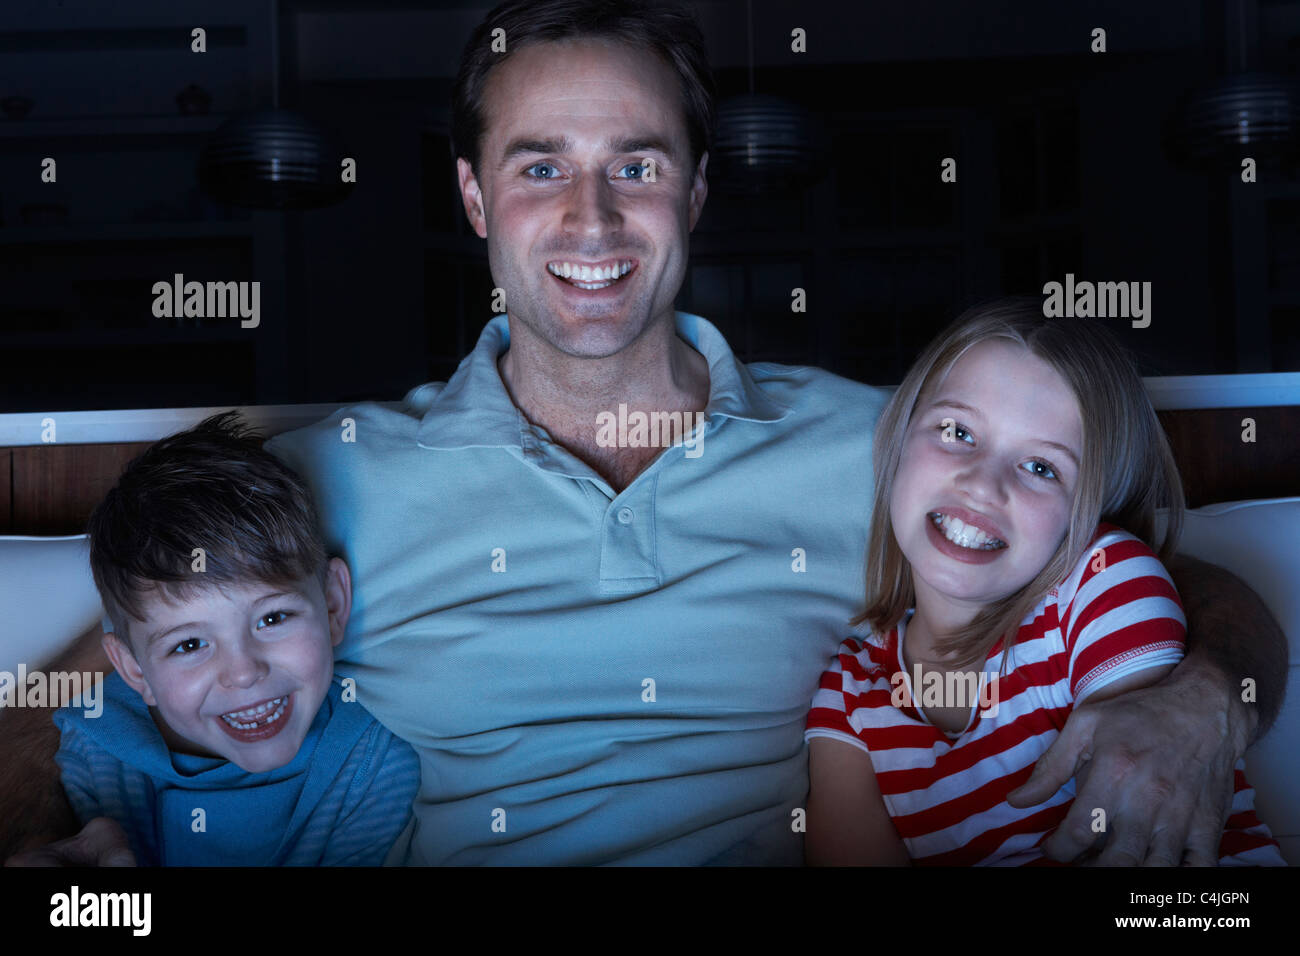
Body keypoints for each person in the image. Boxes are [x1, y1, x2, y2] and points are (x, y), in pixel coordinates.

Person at [1, 0, 1288, 867]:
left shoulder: (885, 446)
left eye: (638, 163)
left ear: (699, 188)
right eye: (539, 165)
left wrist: (1193, 703)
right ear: (473, 196)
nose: (593, 220)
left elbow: (1178, 585)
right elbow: (83, 688)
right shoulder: (329, 472)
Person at [804, 301, 1285, 865]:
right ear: (897, 441)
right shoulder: (850, 691)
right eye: (957, 431)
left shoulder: (1105, 583)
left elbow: (1141, 836)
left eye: (1041, 468)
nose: (982, 486)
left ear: (1089, 510)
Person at [49, 412, 419, 865]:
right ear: (132, 670)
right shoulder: (95, 748)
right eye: (188, 645)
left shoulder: (373, 754)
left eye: (273, 618)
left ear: (333, 606)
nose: (243, 673)